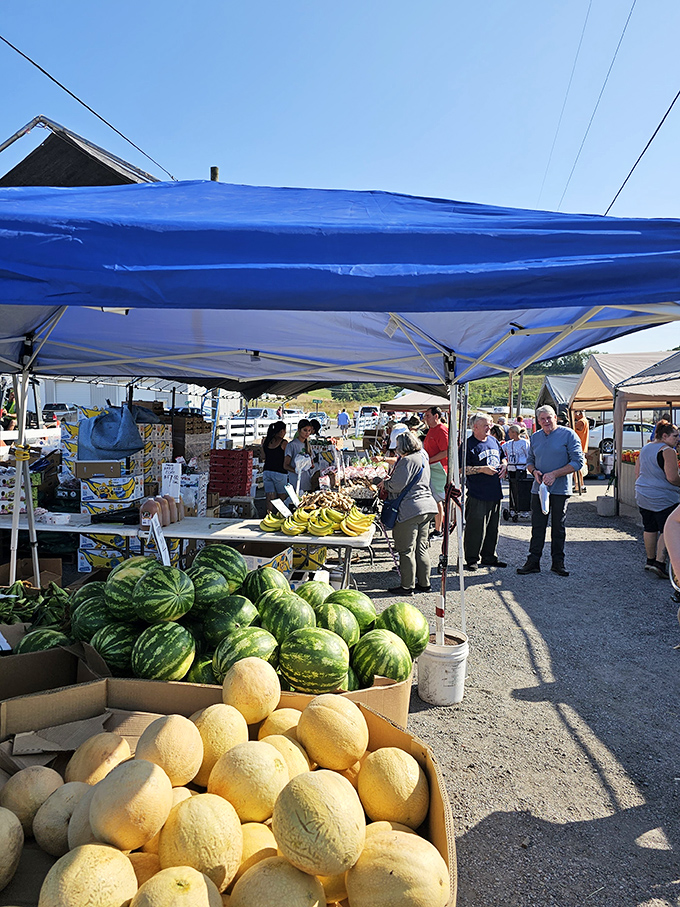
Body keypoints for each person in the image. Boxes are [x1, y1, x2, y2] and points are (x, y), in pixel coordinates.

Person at [517, 405, 585, 577]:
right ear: (538, 421)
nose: (546, 421)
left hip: (560, 489)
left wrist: (555, 474)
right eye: (542, 419)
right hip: (539, 489)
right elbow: (530, 460)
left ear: (555, 417)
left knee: (558, 527)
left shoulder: (568, 434)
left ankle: (558, 563)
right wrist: (534, 472)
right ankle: (533, 562)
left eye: (549, 418)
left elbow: (578, 462)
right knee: (537, 527)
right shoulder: (536, 437)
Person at [380, 431, 437, 595]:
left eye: (398, 446)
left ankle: (407, 586)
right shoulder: (423, 455)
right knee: (421, 547)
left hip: (410, 508)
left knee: (406, 549)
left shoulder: (407, 460)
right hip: (427, 506)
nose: (396, 449)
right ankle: (425, 583)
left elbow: (396, 485)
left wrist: (385, 483)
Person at [634, 419, 680, 577]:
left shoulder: (645, 448)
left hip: (643, 493)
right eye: (675, 436)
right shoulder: (668, 451)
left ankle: (650, 560)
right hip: (663, 496)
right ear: (665, 435)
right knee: (667, 528)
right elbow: (673, 477)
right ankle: (660, 563)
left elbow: (637, 472)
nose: (677, 440)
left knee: (649, 527)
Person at [463, 413, 507, 570]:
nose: (490, 427)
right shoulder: (468, 445)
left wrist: (504, 465)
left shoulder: (493, 440)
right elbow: (461, 469)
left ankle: (489, 556)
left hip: (495, 492)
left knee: (492, 528)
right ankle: (472, 558)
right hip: (477, 493)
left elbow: (503, 457)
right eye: (486, 425)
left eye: (491, 424)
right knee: (476, 528)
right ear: (475, 427)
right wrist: (482, 469)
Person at [422, 406, 449, 540]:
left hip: (439, 469)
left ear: (436, 416)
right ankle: (439, 527)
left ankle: (439, 530)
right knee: (435, 499)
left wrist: (429, 461)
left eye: (427, 416)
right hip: (433, 468)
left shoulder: (442, 430)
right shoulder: (432, 430)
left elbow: (446, 451)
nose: (425, 418)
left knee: (437, 500)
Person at [502, 423, 532, 518]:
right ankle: (513, 507)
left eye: (510, 432)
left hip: (521, 469)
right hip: (511, 469)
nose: (509, 434)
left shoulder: (524, 442)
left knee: (521, 489)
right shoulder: (509, 443)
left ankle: (523, 509)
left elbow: (529, 455)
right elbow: (501, 450)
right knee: (512, 488)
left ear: (514, 432)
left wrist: (529, 466)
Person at [261, 421, 288, 511]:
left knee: (269, 495)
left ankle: (269, 515)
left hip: (267, 471)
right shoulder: (283, 443)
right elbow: (287, 458)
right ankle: (280, 515)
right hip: (280, 472)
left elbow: (262, 456)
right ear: (281, 431)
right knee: (281, 496)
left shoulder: (265, 440)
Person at [283, 419, 314, 493]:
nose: (307, 433)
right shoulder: (292, 445)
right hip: (295, 482)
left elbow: (312, 464)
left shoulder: (308, 445)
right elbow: (285, 465)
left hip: (306, 482)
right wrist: (296, 471)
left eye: (309, 431)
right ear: (299, 430)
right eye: (305, 430)